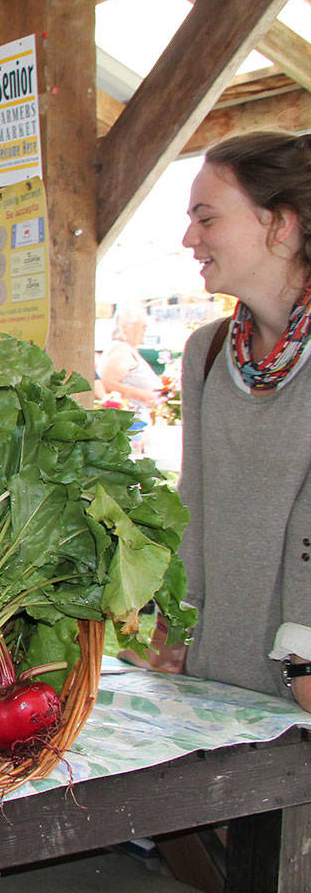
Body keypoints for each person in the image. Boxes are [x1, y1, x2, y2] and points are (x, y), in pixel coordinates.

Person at [178, 130, 311, 713]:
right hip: (219, 671)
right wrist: (173, 620)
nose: (189, 238)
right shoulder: (207, 352)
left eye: (206, 218)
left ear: (280, 224)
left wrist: (305, 649)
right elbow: (194, 498)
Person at [98, 305, 163, 414]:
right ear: (127, 327)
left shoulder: (127, 349)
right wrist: (143, 395)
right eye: (143, 327)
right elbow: (105, 382)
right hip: (132, 419)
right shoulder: (120, 350)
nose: (145, 331)